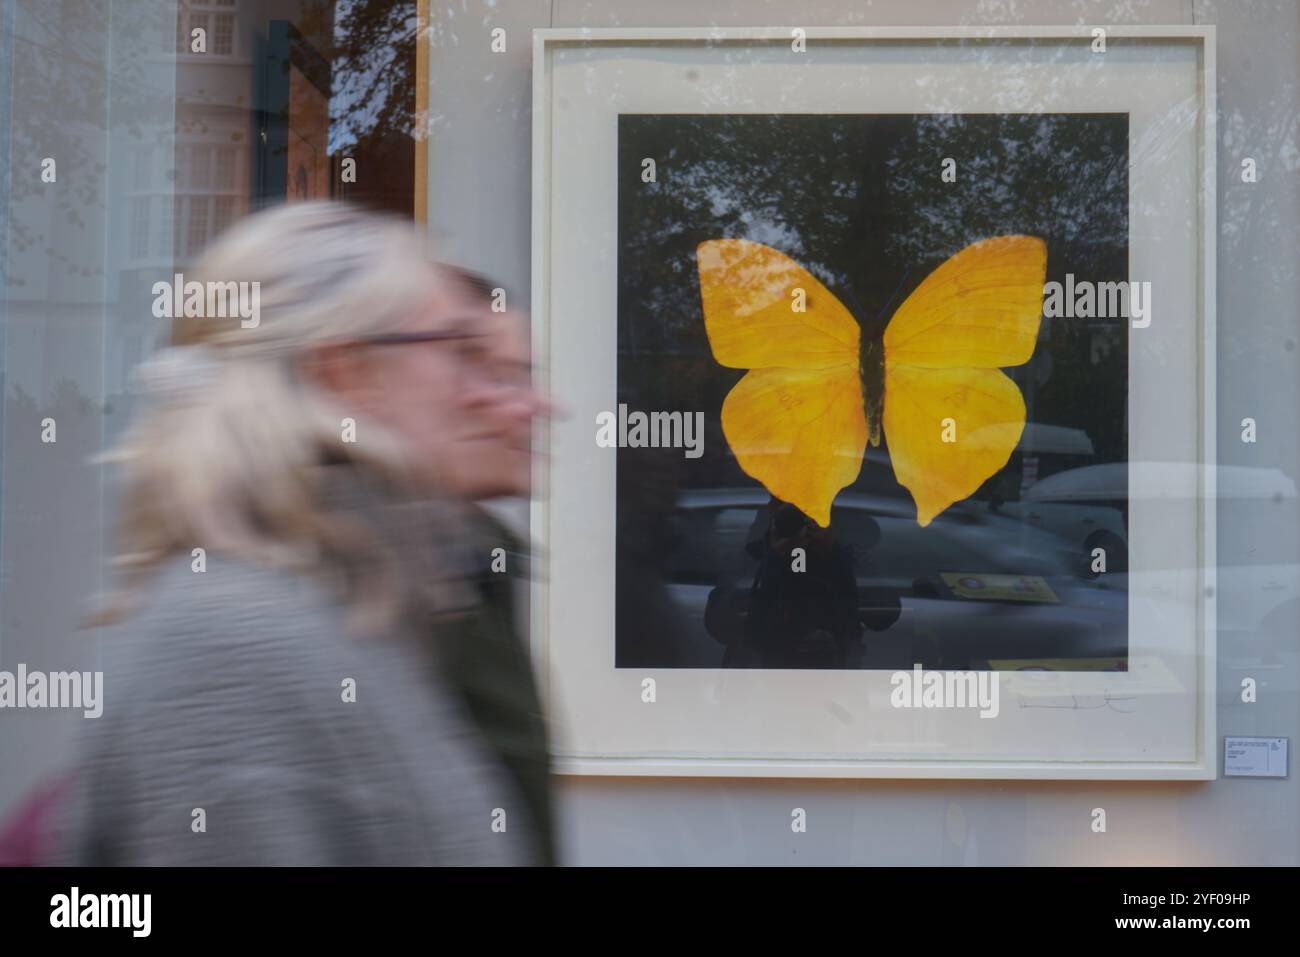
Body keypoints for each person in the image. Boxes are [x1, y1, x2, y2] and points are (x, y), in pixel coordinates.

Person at [50, 202, 556, 865]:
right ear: (345, 370)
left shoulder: (365, 606)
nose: (530, 400)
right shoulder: (229, 644)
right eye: (463, 350)